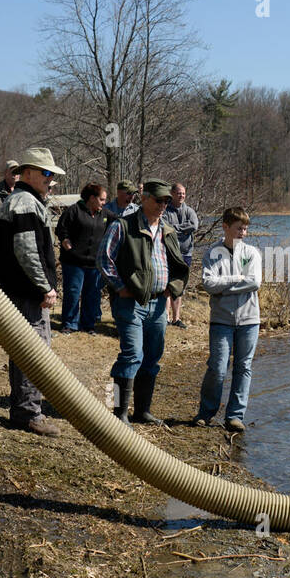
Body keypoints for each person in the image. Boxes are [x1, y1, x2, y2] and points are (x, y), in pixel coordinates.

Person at [98, 179, 189, 425]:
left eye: (166, 201)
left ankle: (142, 412)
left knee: (152, 357)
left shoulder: (168, 230)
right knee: (130, 355)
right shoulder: (122, 226)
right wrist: (120, 287)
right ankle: (117, 411)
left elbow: (180, 267)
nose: (163, 205)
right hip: (131, 303)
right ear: (145, 198)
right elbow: (104, 260)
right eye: (158, 200)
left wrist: (172, 288)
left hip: (159, 305)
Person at [0, 148, 65, 436]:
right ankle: (28, 413)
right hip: (24, 293)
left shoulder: (27, 200)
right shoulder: (23, 203)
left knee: (30, 351)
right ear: (28, 173)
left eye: (52, 175)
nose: (50, 179)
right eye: (46, 173)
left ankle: (27, 409)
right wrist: (45, 286)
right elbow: (27, 251)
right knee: (32, 353)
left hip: (23, 292)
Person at [194, 208, 261, 432]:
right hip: (221, 319)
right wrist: (237, 278)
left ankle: (234, 416)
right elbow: (208, 284)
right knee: (218, 368)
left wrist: (224, 286)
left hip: (249, 319)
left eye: (245, 229)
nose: (243, 232)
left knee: (243, 367)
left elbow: (255, 283)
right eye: (238, 228)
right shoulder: (212, 253)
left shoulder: (252, 253)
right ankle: (206, 413)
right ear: (225, 227)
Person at [56, 182, 108, 334]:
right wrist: (68, 246)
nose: (104, 203)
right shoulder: (74, 211)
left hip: (94, 264)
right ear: (92, 198)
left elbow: (120, 223)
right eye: (102, 200)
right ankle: (69, 323)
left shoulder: (104, 214)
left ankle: (88, 324)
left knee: (92, 295)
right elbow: (61, 229)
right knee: (73, 293)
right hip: (74, 262)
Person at [164, 182, 198, 329]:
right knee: (166, 285)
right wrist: (184, 230)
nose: (182, 196)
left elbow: (194, 226)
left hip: (186, 253)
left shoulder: (189, 210)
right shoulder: (165, 210)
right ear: (172, 194)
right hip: (169, 253)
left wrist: (175, 229)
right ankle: (165, 317)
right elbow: (165, 227)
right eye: (179, 193)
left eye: (183, 193)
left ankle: (176, 319)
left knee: (179, 287)